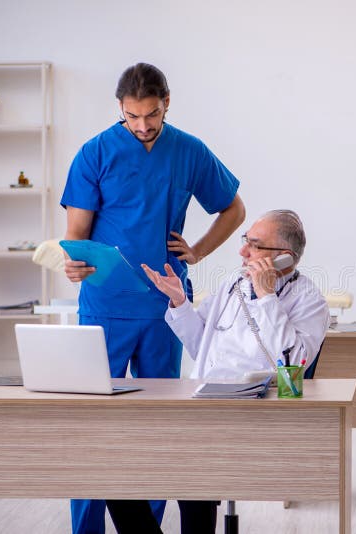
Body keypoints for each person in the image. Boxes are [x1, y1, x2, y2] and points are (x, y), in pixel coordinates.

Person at [60, 62, 246, 534]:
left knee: (159, 424)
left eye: (151, 115)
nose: (142, 126)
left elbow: (233, 208)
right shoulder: (95, 153)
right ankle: (87, 529)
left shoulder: (189, 151)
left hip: (166, 305)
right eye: (131, 117)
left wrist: (199, 250)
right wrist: (71, 263)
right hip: (104, 304)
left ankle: (146, 527)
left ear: (167, 103)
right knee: (92, 424)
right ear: (119, 110)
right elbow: (76, 236)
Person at [105, 209, 330, 534]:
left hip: (257, 416)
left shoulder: (309, 302)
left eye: (254, 245)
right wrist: (180, 302)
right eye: (245, 241)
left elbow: (291, 368)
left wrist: (266, 296)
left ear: (283, 257)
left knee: (193, 473)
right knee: (115, 468)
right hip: (203, 406)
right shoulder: (232, 284)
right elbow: (202, 346)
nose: (242, 251)